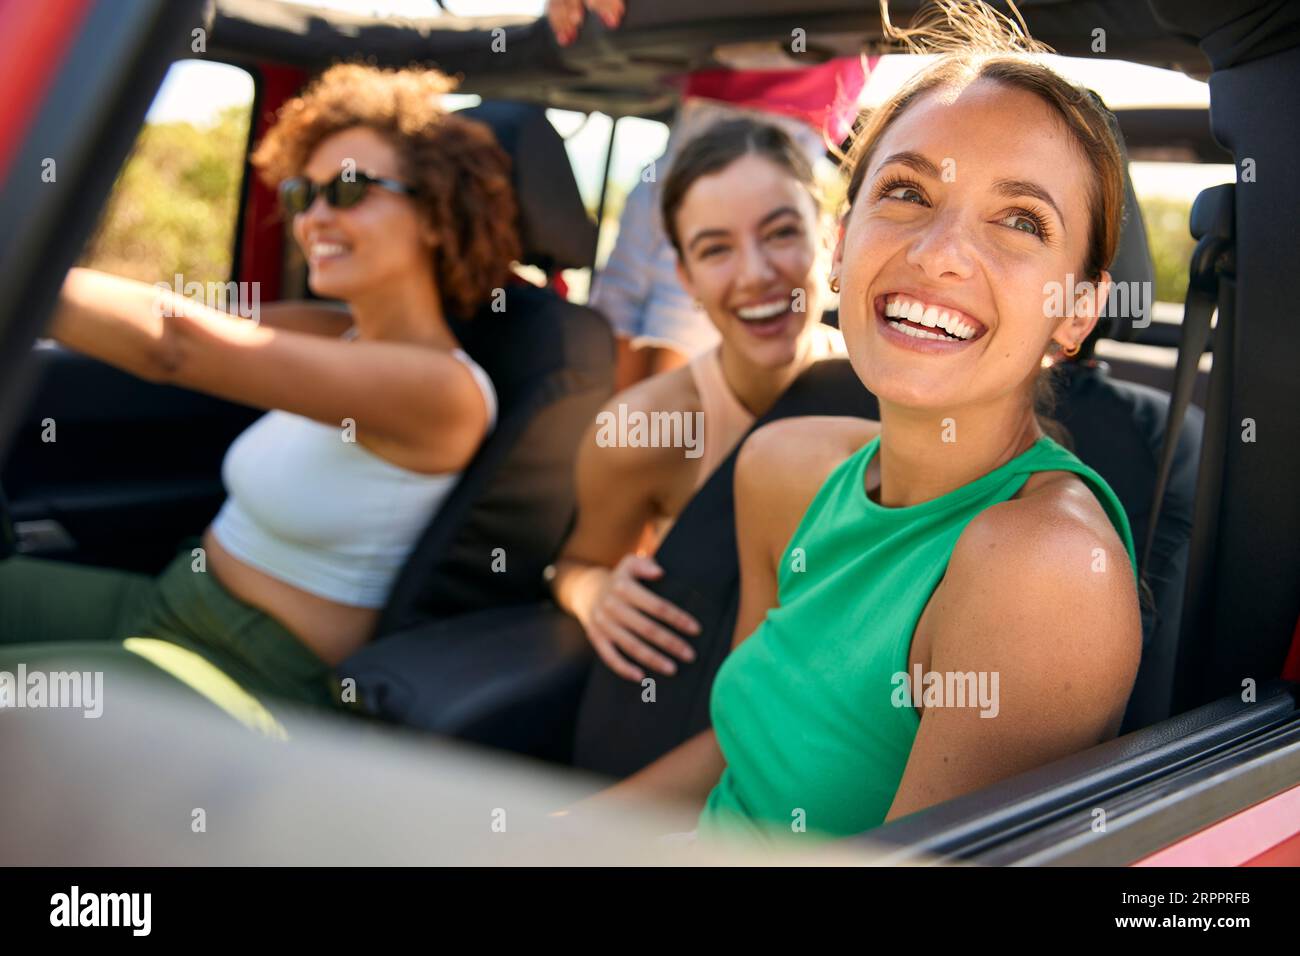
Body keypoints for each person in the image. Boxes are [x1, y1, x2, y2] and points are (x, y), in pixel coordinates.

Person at [582, 0, 1144, 843]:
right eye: (908, 192)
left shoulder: (1047, 570)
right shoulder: (782, 466)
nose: (937, 251)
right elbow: (742, 747)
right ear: (842, 247)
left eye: (1021, 220)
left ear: (1076, 313)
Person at [0, 64, 520, 718]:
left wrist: (20, 263)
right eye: (306, 195)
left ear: (439, 215)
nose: (316, 217)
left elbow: (175, 344)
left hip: (244, 676)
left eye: (352, 189)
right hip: (170, 604)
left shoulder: (441, 390)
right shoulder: (338, 332)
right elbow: (174, 315)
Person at [549, 118, 844, 682]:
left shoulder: (896, 396)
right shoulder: (643, 429)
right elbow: (577, 563)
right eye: (716, 250)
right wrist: (592, 592)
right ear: (685, 278)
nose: (756, 274)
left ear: (828, 240)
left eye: (781, 233)